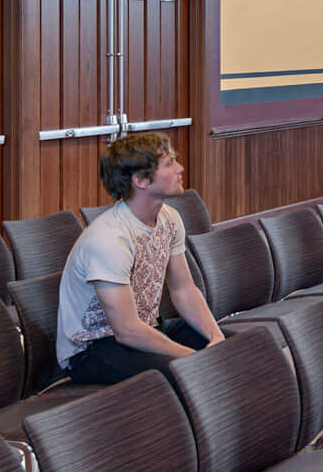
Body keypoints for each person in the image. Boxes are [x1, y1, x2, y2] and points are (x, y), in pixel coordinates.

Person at [56, 131, 226, 383]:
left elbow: (184, 290)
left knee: (236, 349)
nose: (180, 168)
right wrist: (191, 357)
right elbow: (126, 331)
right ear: (141, 181)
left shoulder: (170, 218)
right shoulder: (109, 240)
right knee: (191, 374)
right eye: (169, 163)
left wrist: (216, 338)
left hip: (148, 326)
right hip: (94, 348)